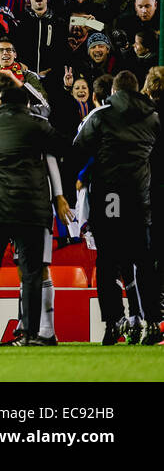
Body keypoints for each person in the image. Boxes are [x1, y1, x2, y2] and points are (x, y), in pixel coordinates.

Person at [0, 72, 74, 346]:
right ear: (25, 103)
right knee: (30, 273)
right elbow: (64, 148)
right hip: (31, 209)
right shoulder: (38, 124)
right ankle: (30, 332)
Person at [71, 69, 163, 345]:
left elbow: (77, 150)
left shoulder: (100, 116)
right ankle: (153, 324)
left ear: (113, 92)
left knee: (108, 261)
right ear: (136, 89)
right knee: (143, 262)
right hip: (138, 197)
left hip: (109, 197)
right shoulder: (152, 117)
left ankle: (113, 323)